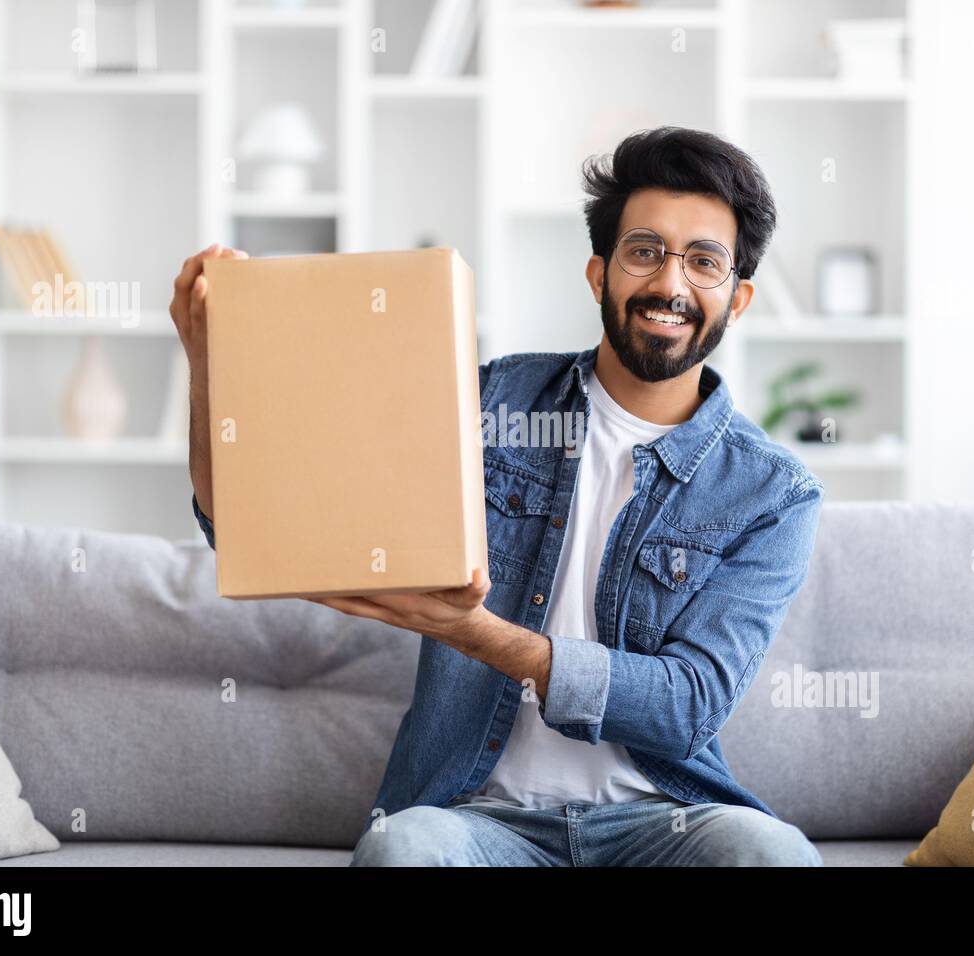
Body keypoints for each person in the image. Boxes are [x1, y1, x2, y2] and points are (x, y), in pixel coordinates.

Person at [169, 126, 825, 867]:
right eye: (645, 250)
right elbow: (250, 531)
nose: (670, 285)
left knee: (774, 858)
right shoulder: (488, 403)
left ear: (737, 299)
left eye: (703, 262)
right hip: (478, 822)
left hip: (663, 824)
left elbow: (688, 705)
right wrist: (208, 358)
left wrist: (477, 634)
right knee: (401, 850)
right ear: (598, 272)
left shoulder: (774, 493)